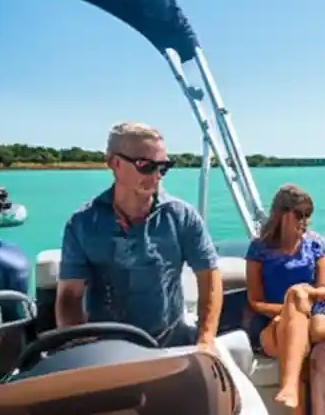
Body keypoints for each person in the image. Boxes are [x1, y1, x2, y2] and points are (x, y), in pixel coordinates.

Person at [57, 121, 221, 351]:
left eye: (162, 167)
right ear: (114, 163)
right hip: (107, 350)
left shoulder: (182, 217)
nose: (156, 175)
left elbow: (209, 277)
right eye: (145, 165)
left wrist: (205, 340)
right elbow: (69, 297)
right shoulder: (82, 224)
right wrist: (80, 349)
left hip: (171, 345)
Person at [244, 184, 325, 415]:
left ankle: (288, 387)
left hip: (317, 319)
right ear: (281, 214)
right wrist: (289, 310)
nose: (305, 221)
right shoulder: (259, 249)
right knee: (299, 328)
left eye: (308, 215)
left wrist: (301, 297)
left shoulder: (316, 244)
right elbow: (255, 301)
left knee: (299, 300)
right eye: (299, 214)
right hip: (274, 325)